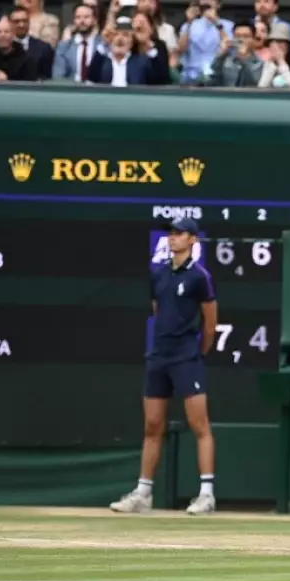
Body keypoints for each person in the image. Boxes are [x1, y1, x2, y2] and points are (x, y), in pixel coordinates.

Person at [111, 218, 219, 516]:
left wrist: (197, 352)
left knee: (200, 425)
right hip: (159, 357)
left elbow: (210, 324)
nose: (173, 238)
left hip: (187, 358)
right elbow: (159, 312)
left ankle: (206, 495)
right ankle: (143, 493)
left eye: (179, 234)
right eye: (170, 234)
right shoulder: (157, 275)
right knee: (152, 425)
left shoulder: (200, 277)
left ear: (193, 239)